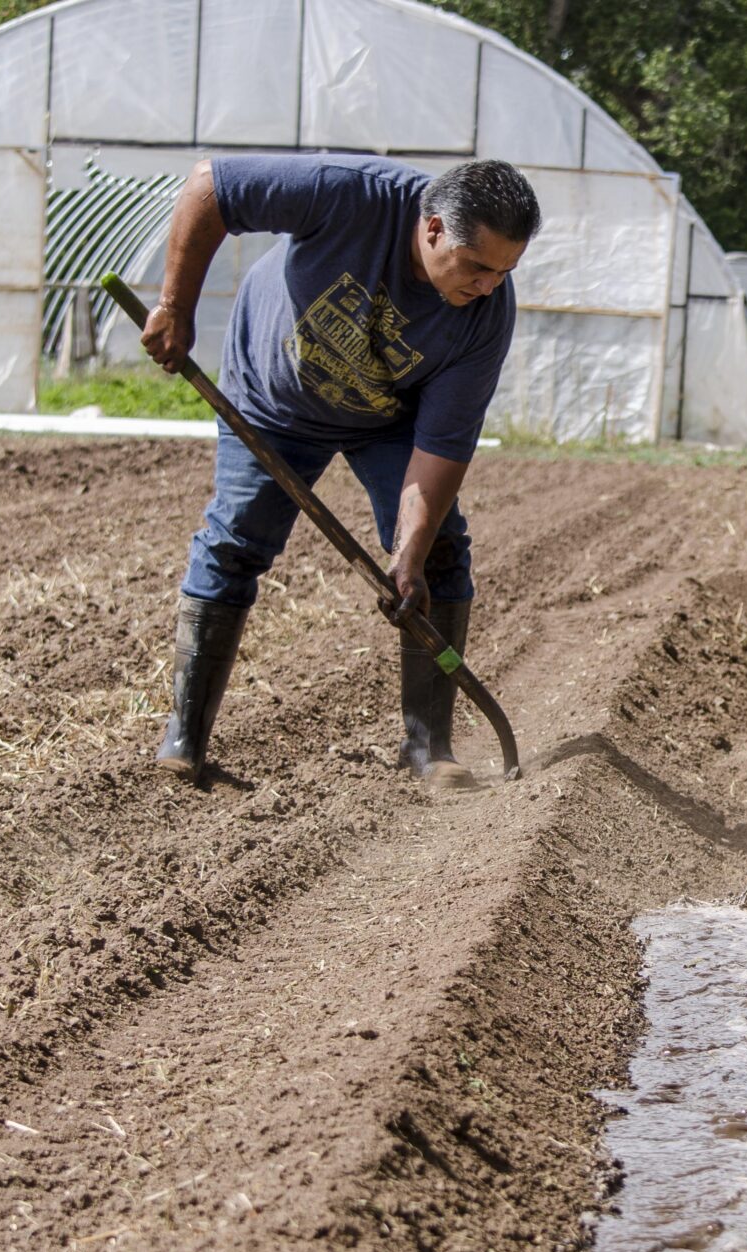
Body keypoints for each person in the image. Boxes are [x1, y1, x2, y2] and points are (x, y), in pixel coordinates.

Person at [139, 155, 539, 788]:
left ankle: (428, 750)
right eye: (479, 266)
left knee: (435, 554)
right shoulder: (350, 197)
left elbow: (442, 446)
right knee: (234, 543)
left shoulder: (485, 316)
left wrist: (407, 554)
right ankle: (183, 741)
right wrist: (175, 306)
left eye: (505, 271)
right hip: (272, 397)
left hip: (386, 417)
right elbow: (209, 186)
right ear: (433, 229)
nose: (490, 285)